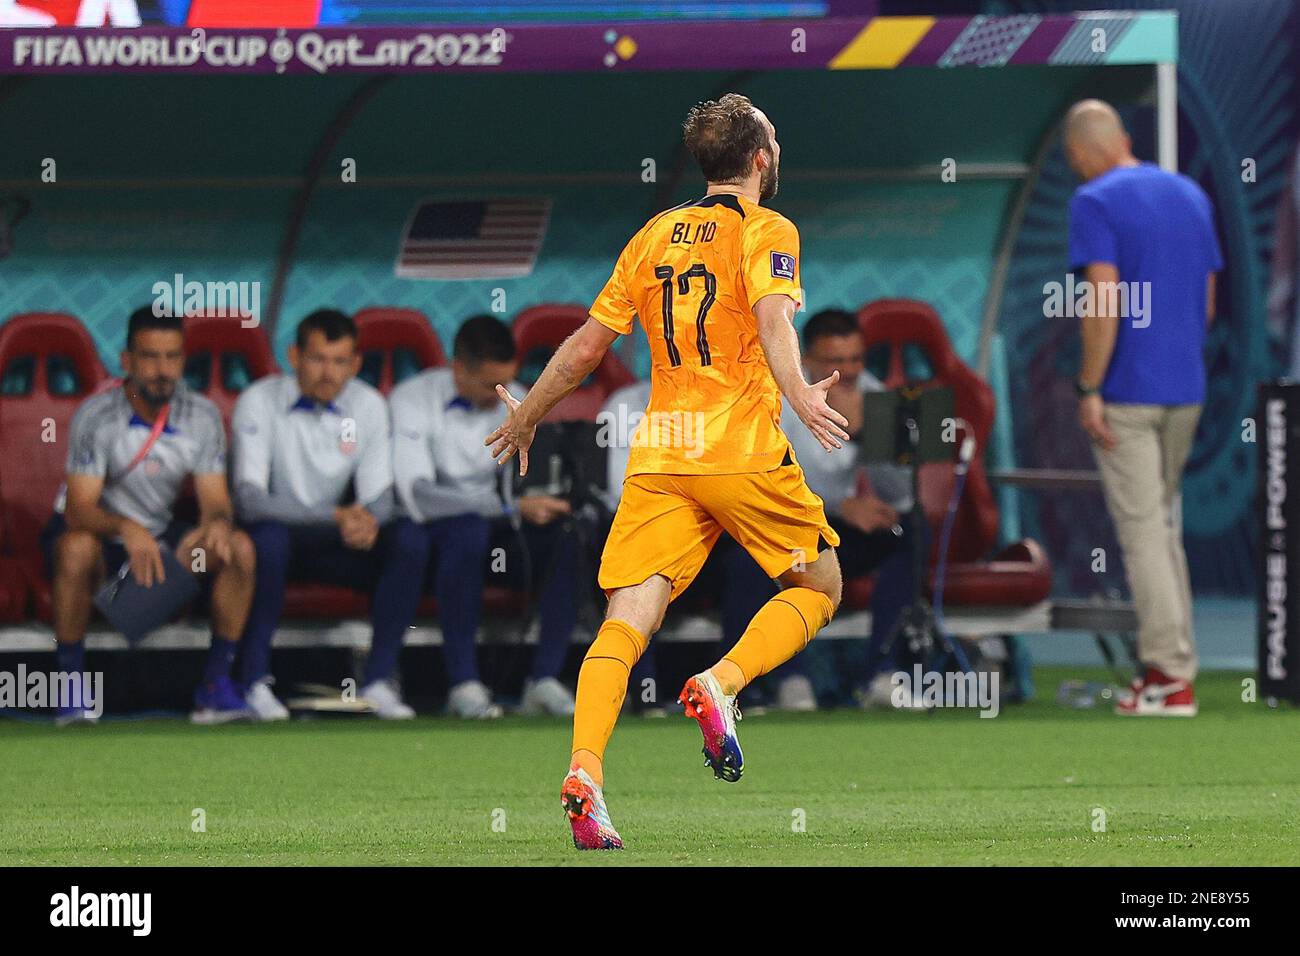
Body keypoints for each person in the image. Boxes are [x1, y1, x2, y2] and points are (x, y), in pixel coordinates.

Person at [487, 93, 847, 849]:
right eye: (773, 141)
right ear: (760, 160)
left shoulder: (652, 236)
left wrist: (527, 414)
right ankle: (722, 682)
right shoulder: (769, 228)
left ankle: (585, 772)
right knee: (819, 587)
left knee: (626, 621)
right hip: (739, 446)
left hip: (662, 451)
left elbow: (589, 345)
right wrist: (800, 396)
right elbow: (777, 319)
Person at [1064, 99, 1223, 717]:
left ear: (1081, 153)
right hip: (1186, 389)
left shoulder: (1094, 200)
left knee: (1143, 535)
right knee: (1163, 528)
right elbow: (1207, 305)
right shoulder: (1190, 193)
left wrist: (1089, 387)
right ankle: (1176, 665)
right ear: (1124, 138)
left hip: (1127, 393)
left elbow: (1102, 301)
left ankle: (1167, 678)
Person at [45, 306, 255, 725]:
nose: (162, 369)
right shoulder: (96, 416)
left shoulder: (201, 415)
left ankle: (215, 686)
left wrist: (216, 523)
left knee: (238, 548)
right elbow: (79, 508)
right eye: (149, 356)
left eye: (172, 357)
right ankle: (70, 687)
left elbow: (214, 498)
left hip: (161, 544)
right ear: (127, 361)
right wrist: (128, 528)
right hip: (102, 539)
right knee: (75, 549)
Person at [389, 314, 581, 719]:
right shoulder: (412, 399)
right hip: (439, 531)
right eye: (489, 386)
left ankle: (543, 679)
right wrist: (506, 508)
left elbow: (528, 484)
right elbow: (418, 496)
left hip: (502, 525)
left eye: (506, 385)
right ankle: (464, 683)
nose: (502, 398)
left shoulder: (521, 398)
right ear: (458, 368)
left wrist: (536, 503)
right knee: (467, 532)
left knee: (566, 536)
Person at [232, 309, 415, 720]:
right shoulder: (259, 401)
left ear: (354, 364)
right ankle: (254, 682)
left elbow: (380, 497)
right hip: (281, 538)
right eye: (317, 359)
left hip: (339, 543)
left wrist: (367, 520)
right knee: (267, 541)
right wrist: (335, 515)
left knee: (409, 539)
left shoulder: (367, 404)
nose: (327, 373)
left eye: (339, 362)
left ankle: (379, 680)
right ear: (294, 356)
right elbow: (250, 501)